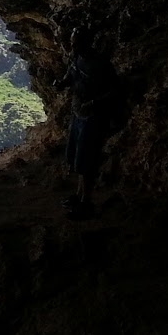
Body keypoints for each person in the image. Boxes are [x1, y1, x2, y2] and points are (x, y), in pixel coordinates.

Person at [62, 25, 113, 219]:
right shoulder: (77, 57)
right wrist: (62, 83)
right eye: (72, 43)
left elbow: (114, 91)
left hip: (93, 118)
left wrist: (94, 103)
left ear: (86, 43)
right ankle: (78, 195)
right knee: (77, 156)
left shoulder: (101, 65)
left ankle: (86, 203)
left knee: (86, 160)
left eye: (76, 43)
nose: (72, 46)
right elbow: (71, 74)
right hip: (79, 114)